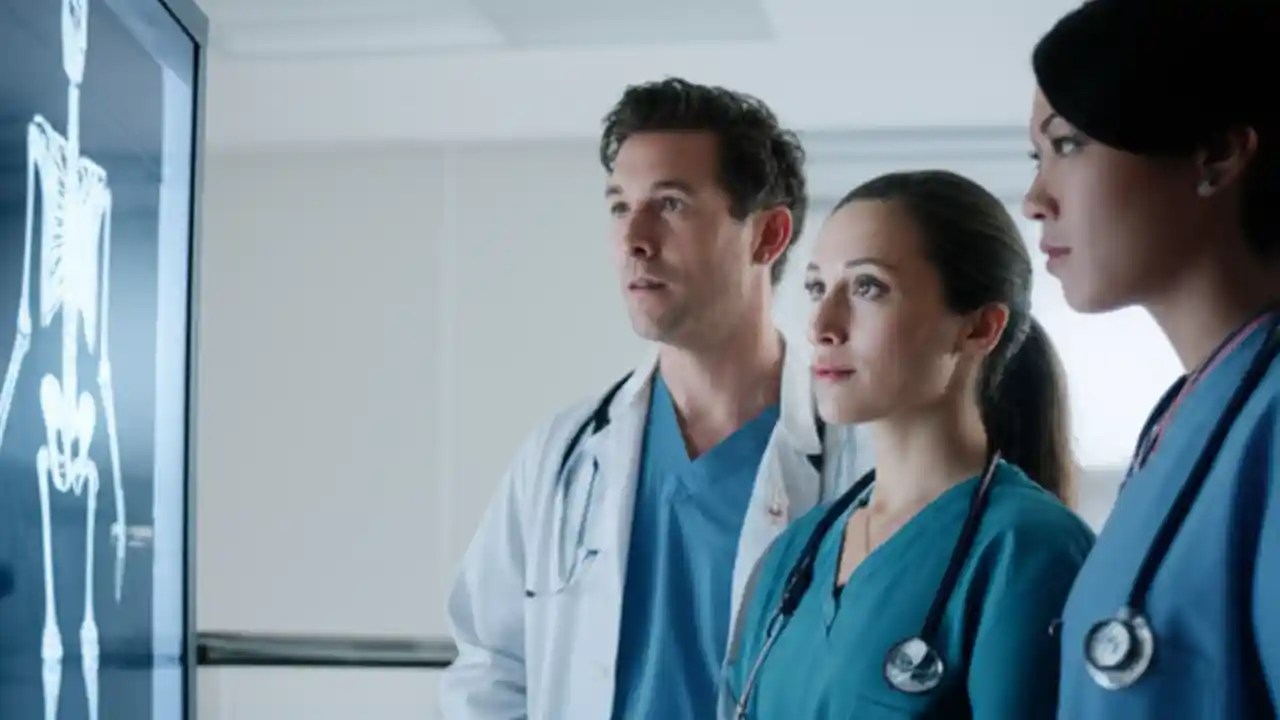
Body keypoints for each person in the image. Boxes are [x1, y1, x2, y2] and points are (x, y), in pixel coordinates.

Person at [439, 77, 863, 720]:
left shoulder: (861, 457)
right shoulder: (562, 454)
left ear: (768, 236)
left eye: (670, 204)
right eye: (619, 207)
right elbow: (488, 664)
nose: (633, 238)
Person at [723, 170, 1096, 719]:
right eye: (817, 289)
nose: (822, 325)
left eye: (868, 287)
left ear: (979, 328)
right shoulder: (794, 555)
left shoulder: (1028, 551)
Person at [1023, 0, 1280, 717]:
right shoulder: (1185, 419)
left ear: (1216, 155)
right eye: (1038, 158)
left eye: (1068, 145)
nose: (1036, 199)